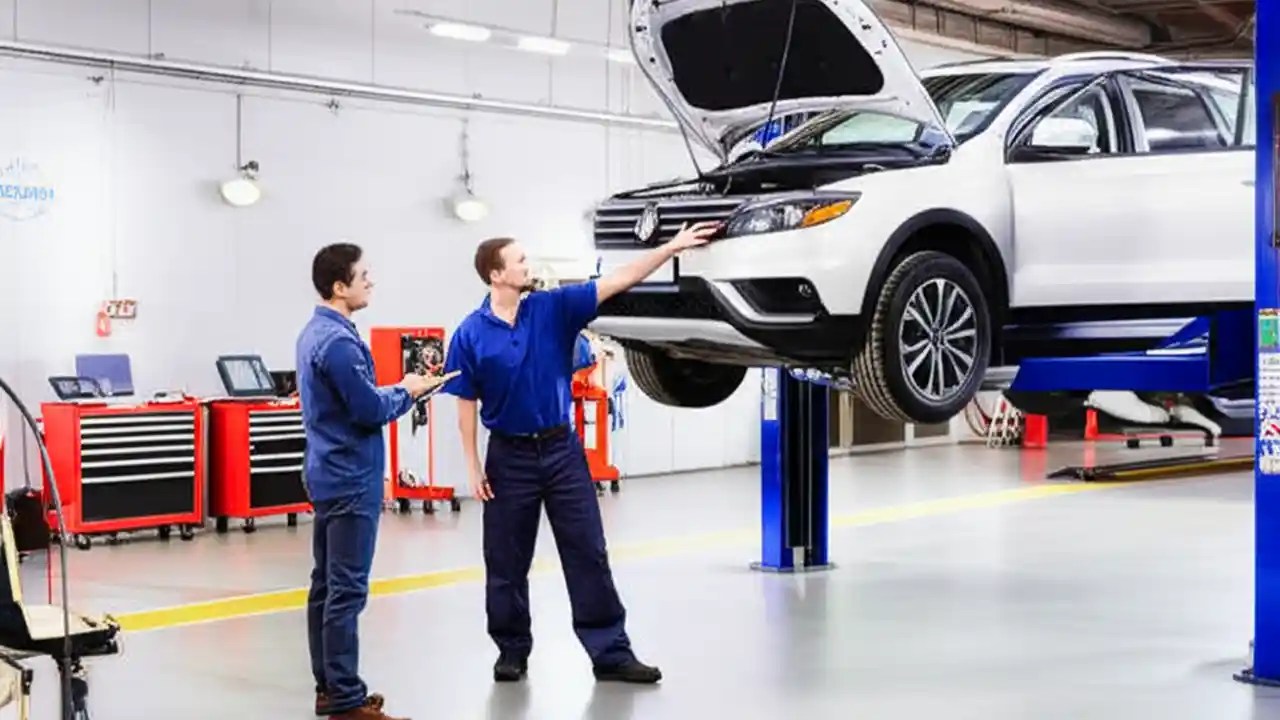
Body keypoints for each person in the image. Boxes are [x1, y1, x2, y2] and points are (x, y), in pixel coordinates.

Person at [442, 221, 721, 684]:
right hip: (507, 458)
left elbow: (618, 280)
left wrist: (671, 246)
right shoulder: (470, 334)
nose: (527, 266)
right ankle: (511, 649)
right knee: (505, 559)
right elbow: (465, 404)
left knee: (588, 551)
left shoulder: (552, 309)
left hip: (561, 451)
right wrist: (472, 465)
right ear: (495, 275)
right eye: (519, 261)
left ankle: (611, 652)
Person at [296, 242, 433, 720]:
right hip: (350, 477)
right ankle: (347, 702)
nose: (370, 281)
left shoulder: (314, 333)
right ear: (340, 286)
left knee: (325, 587)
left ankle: (331, 687)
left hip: (326, 471)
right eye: (363, 275)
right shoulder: (336, 343)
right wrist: (409, 390)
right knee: (346, 591)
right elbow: (369, 409)